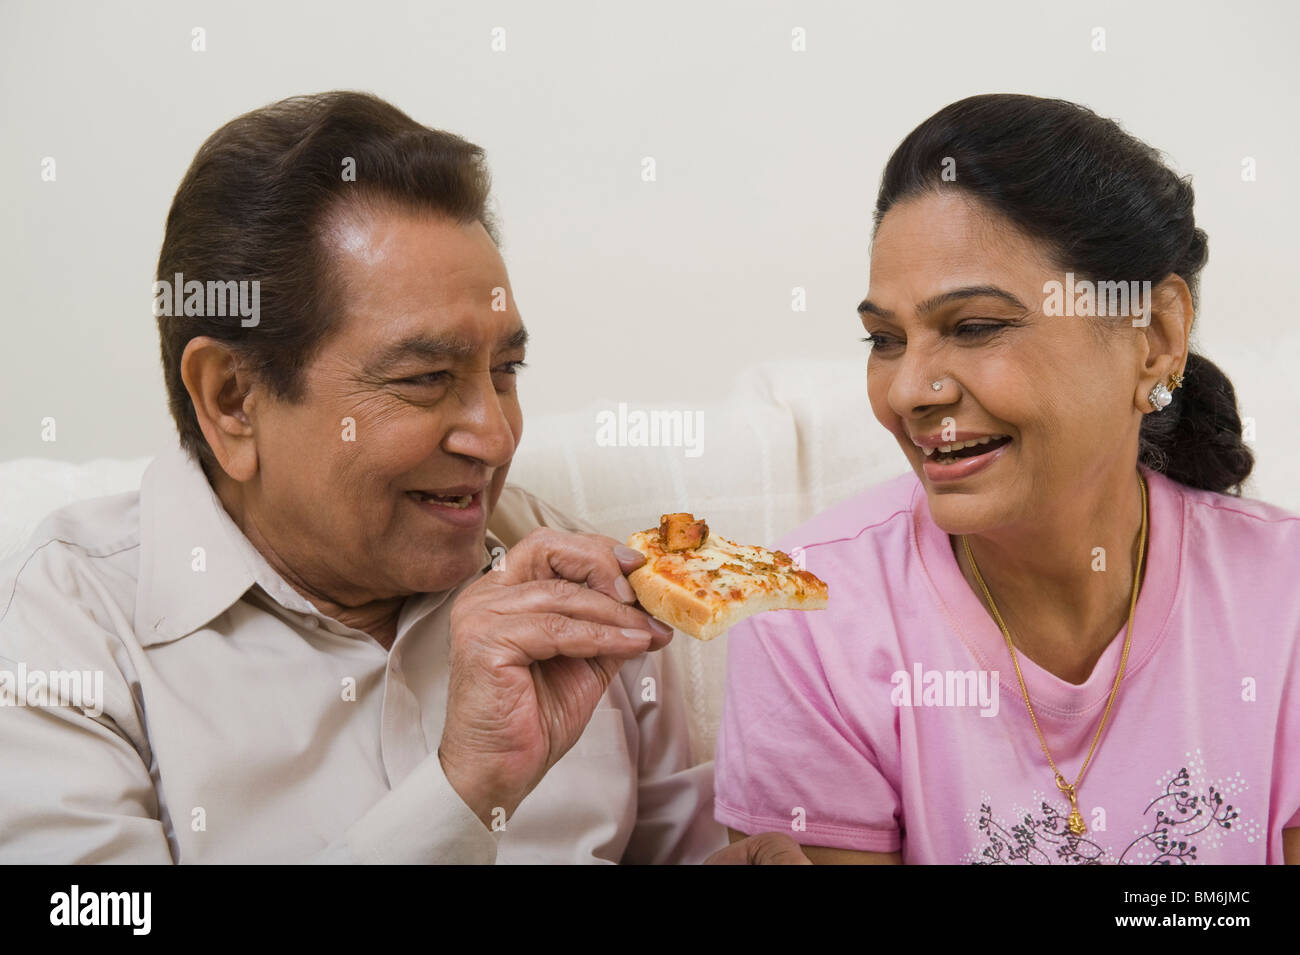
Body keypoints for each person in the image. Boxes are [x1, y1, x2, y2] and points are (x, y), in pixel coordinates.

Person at [0, 91, 805, 864]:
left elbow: (667, 845)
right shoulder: (70, 633)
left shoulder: (574, 577)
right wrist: (463, 792)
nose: (496, 437)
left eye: (507, 369)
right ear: (232, 399)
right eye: (425, 378)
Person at [714, 93, 1300, 864]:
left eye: (974, 326)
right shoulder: (805, 620)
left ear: (1155, 338)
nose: (909, 391)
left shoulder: (1284, 598)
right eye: (885, 339)